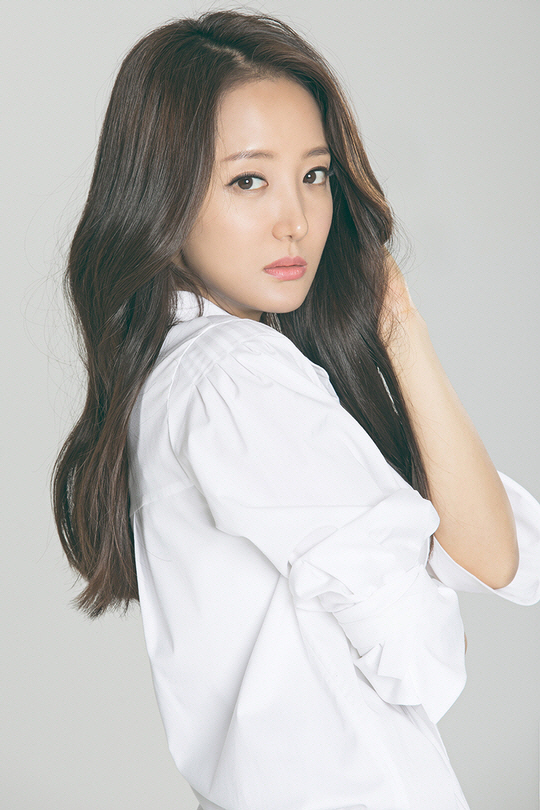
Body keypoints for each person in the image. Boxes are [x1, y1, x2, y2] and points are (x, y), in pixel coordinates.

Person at [52, 9, 540, 810]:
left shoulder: (215, 374)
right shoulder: (230, 379)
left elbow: (499, 555)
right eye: (248, 180)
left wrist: (399, 327)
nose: (298, 220)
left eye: (315, 175)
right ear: (163, 195)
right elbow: (425, 658)